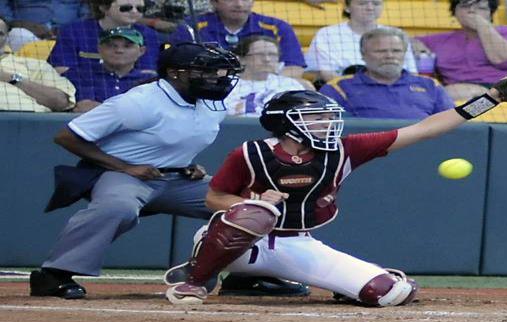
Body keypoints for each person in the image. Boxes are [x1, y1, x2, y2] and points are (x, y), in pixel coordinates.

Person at [160, 59, 507, 305]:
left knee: (390, 292)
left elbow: (425, 129)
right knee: (253, 213)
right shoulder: (251, 152)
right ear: (287, 124)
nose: (327, 123)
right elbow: (213, 199)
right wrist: (257, 203)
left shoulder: (345, 149)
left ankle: (262, 279)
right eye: (316, 118)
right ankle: (196, 280)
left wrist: (493, 97)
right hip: (242, 239)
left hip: (297, 244)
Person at [30, 42, 307, 299]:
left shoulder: (213, 101)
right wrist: (126, 167)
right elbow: (67, 136)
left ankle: (248, 275)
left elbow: (180, 137)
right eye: (205, 71)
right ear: (175, 73)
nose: (216, 78)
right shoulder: (138, 102)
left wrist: (188, 164)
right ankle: (53, 275)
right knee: (117, 208)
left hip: (176, 177)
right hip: (123, 174)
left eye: (217, 71)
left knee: (256, 206)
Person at [412, 0, 507, 101]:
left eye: (481, 8)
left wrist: (481, 24)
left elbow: (505, 59)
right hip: (456, 93)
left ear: (491, 12)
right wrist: (418, 46)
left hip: (504, 90)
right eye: (465, 5)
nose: (472, 10)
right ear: (454, 11)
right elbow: (407, 41)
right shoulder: (443, 39)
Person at [319, 27, 453, 119]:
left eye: (396, 51)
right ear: (363, 54)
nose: (389, 56)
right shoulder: (338, 88)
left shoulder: (430, 85)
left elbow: (452, 124)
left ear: (405, 53)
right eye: (380, 51)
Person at [170, 0, 306, 79]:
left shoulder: (278, 27)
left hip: (267, 85)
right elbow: (179, 69)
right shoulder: (190, 27)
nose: (239, 4)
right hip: (208, 88)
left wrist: (254, 81)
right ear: (213, 3)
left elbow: (295, 69)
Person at [305, 0, 418, 83]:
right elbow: (327, 74)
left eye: (376, 3)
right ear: (347, 7)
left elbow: (412, 73)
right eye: (362, 3)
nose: (370, 7)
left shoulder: (395, 35)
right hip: (345, 91)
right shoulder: (327, 34)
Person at [49, 0, 160, 76]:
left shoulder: (149, 35)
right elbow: (60, 69)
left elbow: (148, 73)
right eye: (126, 8)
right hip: (82, 89)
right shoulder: (73, 32)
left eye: (140, 8)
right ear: (104, 8)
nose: (134, 11)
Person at [64, 26, 156, 112]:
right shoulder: (79, 74)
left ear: (141, 51)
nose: (119, 50)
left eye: (127, 46)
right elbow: (85, 106)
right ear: (99, 49)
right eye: (111, 46)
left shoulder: (151, 81)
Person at [1, 16, 76, 112]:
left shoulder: (35, 65)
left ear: (7, 37)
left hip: (25, 121)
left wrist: (13, 79)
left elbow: (61, 102)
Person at [225, 35, 307, 116]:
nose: (267, 59)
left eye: (272, 55)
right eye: (259, 54)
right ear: (241, 59)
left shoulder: (290, 85)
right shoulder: (225, 84)